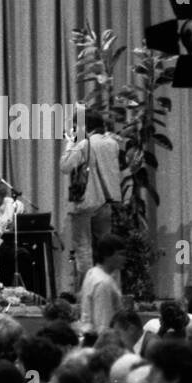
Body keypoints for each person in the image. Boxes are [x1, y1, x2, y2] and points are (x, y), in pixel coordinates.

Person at [62, 110, 122, 288]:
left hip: (86, 202)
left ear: (84, 126)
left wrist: (70, 143)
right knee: (107, 250)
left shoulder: (83, 145)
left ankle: (87, 292)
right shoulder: (112, 143)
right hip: (106, 201)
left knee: (83, 250)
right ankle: (111, 288)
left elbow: (65, 166)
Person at [79, 233, 126, 336]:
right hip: (100, 342)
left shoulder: (92, 272)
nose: (124, 259)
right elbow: (103, 326)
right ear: (107, 255)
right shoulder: (103, 282)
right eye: (120, 254)